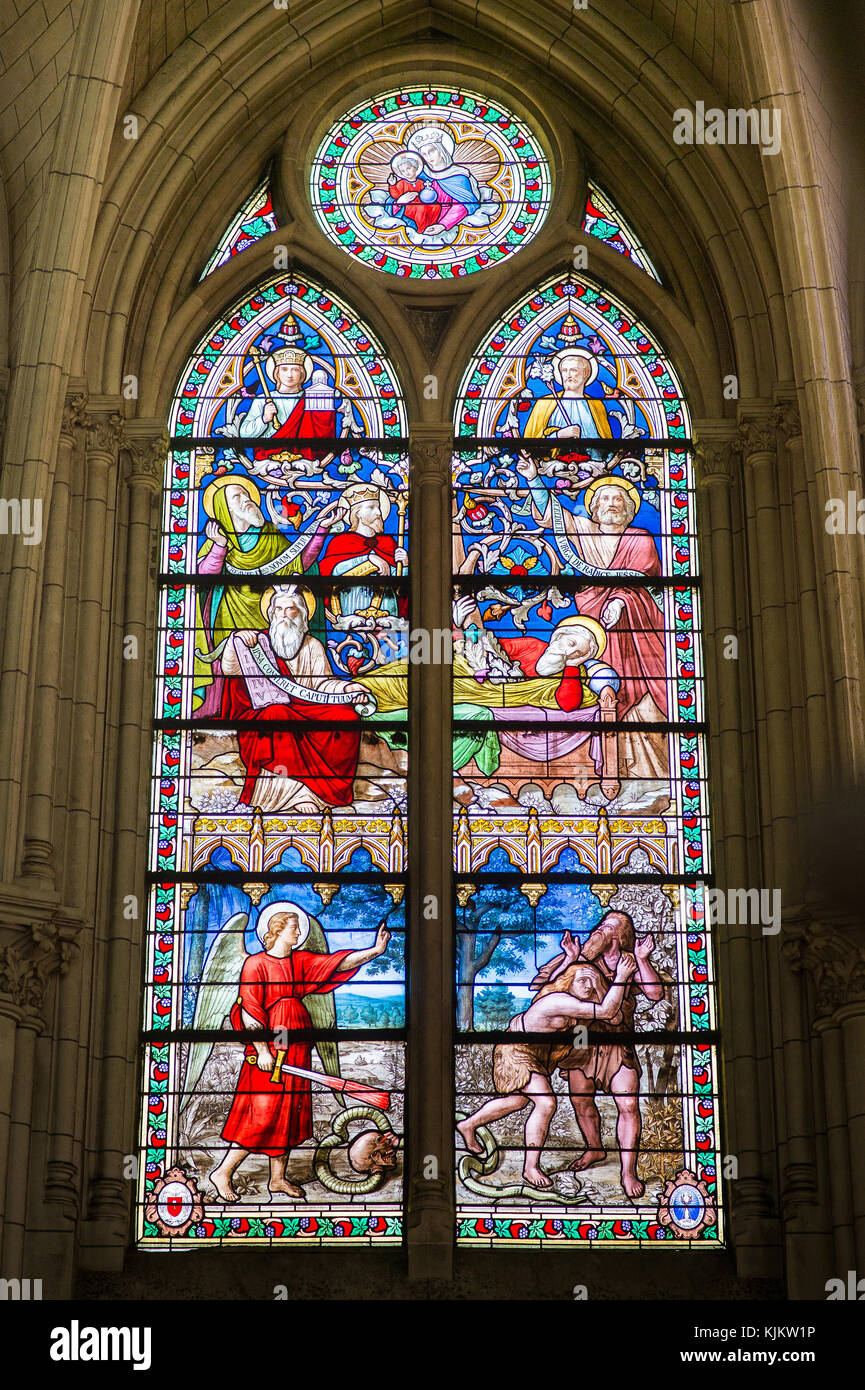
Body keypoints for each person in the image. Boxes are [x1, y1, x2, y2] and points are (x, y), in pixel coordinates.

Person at [210, 903, 390, 1202]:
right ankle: (223, 1172)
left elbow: (337, 964)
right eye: (294, 927)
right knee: (263, 1114)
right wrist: (262, 1049)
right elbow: (250, 1012)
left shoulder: (300, 962)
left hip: (296, 1048)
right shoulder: (256, 964)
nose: (299, 932)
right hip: (272, 1047)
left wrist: (375, 951)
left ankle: (277, 1179)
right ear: (277, 930)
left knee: (288, 1115)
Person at [513, 471, 669, 777]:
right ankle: (614, 768)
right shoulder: (582, 530)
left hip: (637, 636)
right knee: (600, 691)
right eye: (605, 499)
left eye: (618, 499)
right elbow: (551, 514)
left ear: (630, 508)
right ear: (594, 507)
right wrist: (533, 479)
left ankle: (653, 775)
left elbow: (648, 588)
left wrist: (621, 600)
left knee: (642, 699)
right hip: (592, 629)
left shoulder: (640, 539)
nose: (612, 504)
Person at [457, 953, 637, 1189]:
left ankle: (468, 1124)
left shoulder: (578, 1010)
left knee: (517, 1101)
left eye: (593, 981)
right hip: (518, 1050)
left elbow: (615, 1018)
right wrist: (622, 976)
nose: (588, 985)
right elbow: (606, 1012)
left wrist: (573, 959)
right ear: (569, 981)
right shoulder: (559, 1000)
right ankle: (530, 1168)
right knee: (546, 1103)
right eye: (582, 979)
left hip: (536, 1055)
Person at [531, 911, 665, 1198]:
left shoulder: (630, 961)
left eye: (610, 928)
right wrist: (570, 957)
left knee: (628, 1105)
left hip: (618, 1042)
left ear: (622, 935)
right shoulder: (585, 961)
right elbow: (545, 987)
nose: (602, 932)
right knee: (581, 1101)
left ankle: (628, 1172)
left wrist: (642, 959)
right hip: (583, 1041)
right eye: (602, 926)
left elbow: (655, 994)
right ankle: (595, 1148)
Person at [193, 474, 342, 714]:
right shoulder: (217, 541)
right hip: (230, 619)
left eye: (247, 494)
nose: (248, 499)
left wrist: (321, 530)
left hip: (274, 618)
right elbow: (201, 577)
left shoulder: (270, 535)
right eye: (237, 497)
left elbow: (298, 564)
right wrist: (220, 545)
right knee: (235, 681)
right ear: (223, 509)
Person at [220, 584, 372, 813]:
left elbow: (322, 684)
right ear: (270, 614)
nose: (283, 615)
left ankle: (317, 793)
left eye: (290, 609)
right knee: (277, 713)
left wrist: (350, 690)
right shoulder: (257, 642)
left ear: (302, 615)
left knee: (347, 717)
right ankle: (288, 792)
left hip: (309, 708)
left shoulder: (312, 645)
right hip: (267, 712)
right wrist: (236, 641)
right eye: (278, 609)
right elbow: (230, 671)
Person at [238, 346, 341, 458]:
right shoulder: (262, 400)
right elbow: (244, 433)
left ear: (302, 373)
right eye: (284, 369)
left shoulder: (311, 398)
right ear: (277, 373)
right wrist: (264, 419)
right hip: (268, 459)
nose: (289, 375)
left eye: (295, 370)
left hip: (306, 459)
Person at [386, 150, 440, 232]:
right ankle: (421, 230)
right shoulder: (401, 183)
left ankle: (431, 227)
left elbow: (427, 195)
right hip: (409, 207)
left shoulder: (422, 182)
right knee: (420, 208)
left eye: (408, 168)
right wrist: (392, 185)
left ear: (415, 167)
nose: (406, 172)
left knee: (436, 207)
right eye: (403, 171)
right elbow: (396, 195)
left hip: (423, 204)